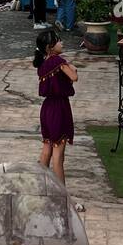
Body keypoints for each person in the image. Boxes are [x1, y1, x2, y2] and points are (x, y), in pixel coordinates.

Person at [34, 26, 82, 209]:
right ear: (50, 47)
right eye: (58, 40)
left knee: (47, 148)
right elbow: (74, 77)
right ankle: (64, 199)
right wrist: (72, 67)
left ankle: (40, 187)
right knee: (58, 155)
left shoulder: (43, 63)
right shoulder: (58, 61)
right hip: (59, 109)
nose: (62, 42)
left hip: (46, 109)